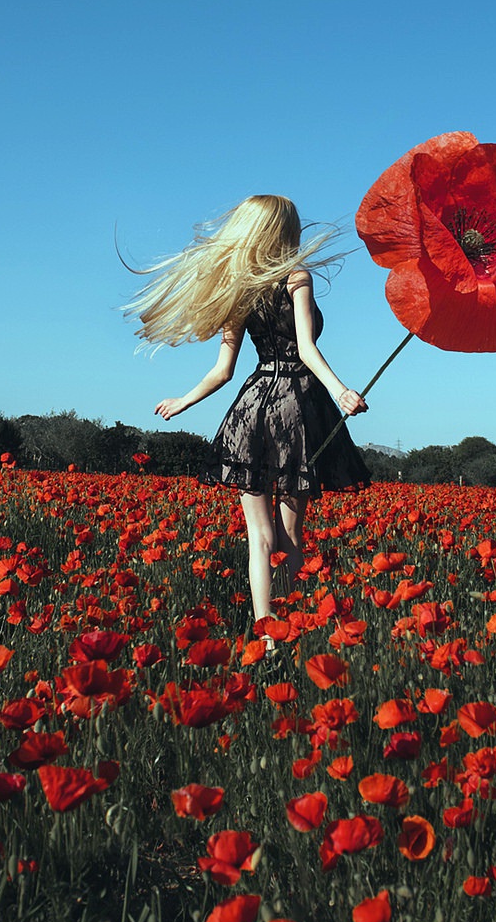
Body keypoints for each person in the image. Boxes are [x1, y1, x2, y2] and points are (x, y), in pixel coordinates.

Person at [123, 195, 372, 633]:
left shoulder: (237, 288)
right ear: (283, 230)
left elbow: (223, 371)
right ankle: (293, 630)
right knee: (289, 535)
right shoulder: (296, 277)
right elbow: (307, 349)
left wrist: (183, 400)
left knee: (259, 538)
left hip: (253, 408)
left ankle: (267, 634)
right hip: (298, 407)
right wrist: (342, 390)